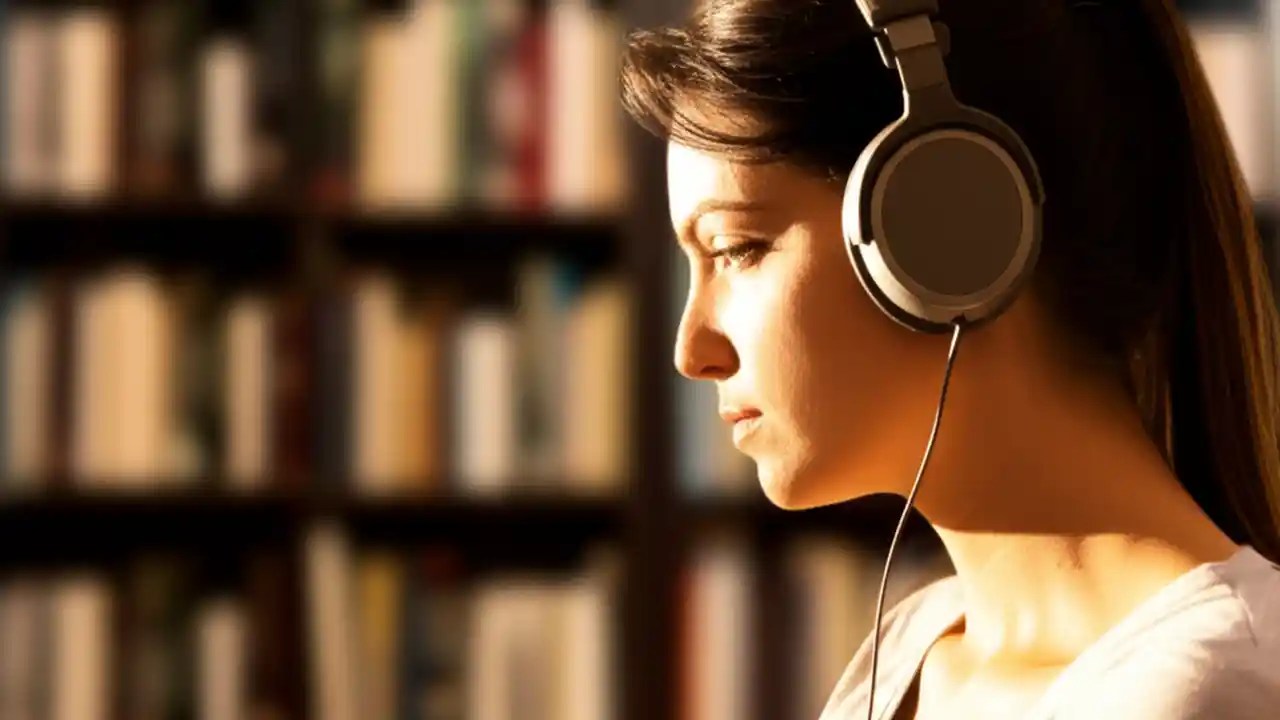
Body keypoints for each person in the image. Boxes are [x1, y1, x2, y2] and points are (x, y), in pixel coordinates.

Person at [620, 0, 1280, 718]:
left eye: (734, 248)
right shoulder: (914, 645)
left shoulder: (1204, 690)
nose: (692, 352)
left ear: (945, 218)